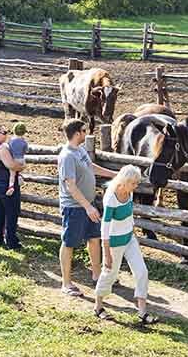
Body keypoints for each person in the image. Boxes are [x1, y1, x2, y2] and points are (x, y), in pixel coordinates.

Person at [58, 118, 117, 297]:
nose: (86, 133)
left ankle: (97, 274)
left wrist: (115, 174)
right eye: (84, 130)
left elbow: (91, 167)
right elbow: (71, 186)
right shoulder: (67, 156)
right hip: (75, 207)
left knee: (94, 238)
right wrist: (87, 207)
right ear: (77, 133)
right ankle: (66, 283)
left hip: (87, 204)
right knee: (69, 243)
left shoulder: (80, 150)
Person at [93, 165, 158, 325]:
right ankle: (98, 306)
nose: (136, 186)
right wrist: (106, 253)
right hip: (114, 242)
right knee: (110, 274)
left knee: (142, 271)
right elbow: (105, 227)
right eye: (134, 183)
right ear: (125, 181)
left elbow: (129, 215)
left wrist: (132, 231)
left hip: (129, 238)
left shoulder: (129, 193)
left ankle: (142, 311)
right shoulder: (111, 198)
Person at [0, 124, 25, 249]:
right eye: (4, 132)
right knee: (12, 212)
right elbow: (11, 165)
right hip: (6, 184)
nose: (6, 134)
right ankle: (12, 241)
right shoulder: (2, 148)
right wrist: (22, 166)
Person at [7, 122, 29, 196]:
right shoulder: (24, 142)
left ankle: (11, 186)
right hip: (21, 159)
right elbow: (26, 151)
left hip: (13, 159)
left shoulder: (11, 141)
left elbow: (8, 149)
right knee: (20, 169)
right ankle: (19, 177)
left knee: (12, 174)